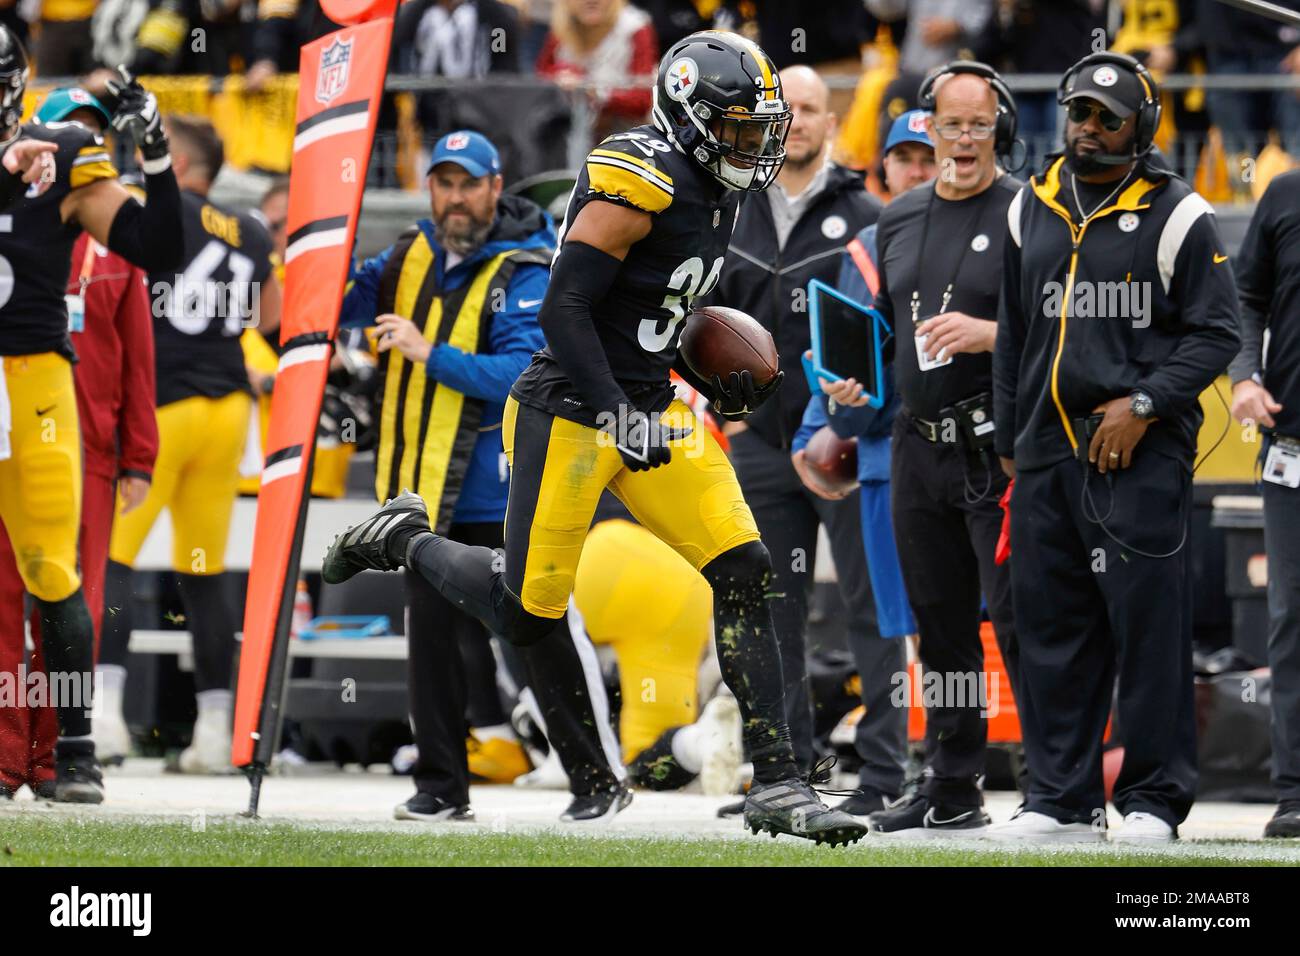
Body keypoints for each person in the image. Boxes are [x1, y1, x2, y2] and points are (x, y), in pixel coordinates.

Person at [323, 31, 867, 846]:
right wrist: (615, 409)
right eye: (741, 128)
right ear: (688, 119)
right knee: (528, 613)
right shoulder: (636, 177)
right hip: (571, 407)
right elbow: (564, 310)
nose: (756, 146)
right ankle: (406, 538)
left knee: (746, 567)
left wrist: (701, 365)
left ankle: (780, 781)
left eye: (763, 128)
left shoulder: (722, 181)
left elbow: (658, 305)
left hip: (651, 403)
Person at [991, 52, 1239, 843]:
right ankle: (1058, 798)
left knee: (1148, 634)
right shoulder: (1028, 204)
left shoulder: (1180, 213)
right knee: (1049, 631)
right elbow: (1013, 335)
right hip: (1044, 456)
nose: (1086, 129)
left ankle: (1152, 800)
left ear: (1142, 125)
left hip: (1138, 457)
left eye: (1107, 116)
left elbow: (1218, 334)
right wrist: (1007, 437)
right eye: (1077, 113)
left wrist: (1145, 403)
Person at [338, 129, 574, 822]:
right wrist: (328, 263)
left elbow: (525, 374)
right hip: (424, 488)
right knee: (432, 647)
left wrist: (428, 352)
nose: (457, 198)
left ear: (497, 188)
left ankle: (592, 772)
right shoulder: (409, 254)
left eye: (470, 183)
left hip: (497, 488)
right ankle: (442, 786)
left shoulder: (527, 267)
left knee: (535, 636)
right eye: (444, 183)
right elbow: (343, 307)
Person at [828, 62, 1023, 836]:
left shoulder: (1027, 212)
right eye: (951, 125)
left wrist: (990, 334)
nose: (964, 140)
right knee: (938, 628)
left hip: (998, 448)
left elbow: (1062, 328)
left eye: (979, 125)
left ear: (1000, 128)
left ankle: (1056, 788)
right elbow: (881, 331)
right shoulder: (899, 216)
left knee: (1018, 621)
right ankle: (952, 785)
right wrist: (855, 384)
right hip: (918, 442)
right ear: (930, 128)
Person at [0, 28, 183, 803]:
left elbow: (157, 246)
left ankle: (73, 750)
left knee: (50, 567)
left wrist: (159, 160)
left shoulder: (63, 152)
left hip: (33, 376)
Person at [706, 64, 886, 812]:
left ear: (831, 121)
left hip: (842, 440)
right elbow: (698, 316)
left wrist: (855, 416)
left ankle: (882, 777)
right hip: (757, 444)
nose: (800, 122)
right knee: (763, 605)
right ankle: (781, 774)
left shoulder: (868, 212)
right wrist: (727, 409)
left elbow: (882, 327)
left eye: (813, 109)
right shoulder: (730, 207)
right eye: (788, 111)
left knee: (867, 603)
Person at [100, 114, 280, 775]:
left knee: (113, 558)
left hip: (161, 407)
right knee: (203, 571)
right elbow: (271, 316)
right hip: (229, 409)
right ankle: (213, 731)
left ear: (175, 161)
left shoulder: (150, 210)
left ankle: (104, 717)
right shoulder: (252, 230)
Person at [792, 108, 938, 815]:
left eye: (929, 156)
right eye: (905, 159)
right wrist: (819, 423)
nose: (919, 169)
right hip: (885, 458)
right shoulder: (868, 248)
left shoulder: (994, 233)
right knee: (889, 621)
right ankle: (889, 774)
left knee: (967, 623)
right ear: (884, 172)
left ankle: (954, 773)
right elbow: (843, 366)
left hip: (967, 460)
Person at [1227, 167, 1300, 839]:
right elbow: (1245, 296)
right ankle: (1297, 792)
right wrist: (1245, 373)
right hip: (1293, 449)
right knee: (1292, 616)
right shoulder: (1283, 193)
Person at [535, 0, 659, 141]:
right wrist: (562, 74)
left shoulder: (634, 27)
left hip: (623, 135)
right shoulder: (561, 25)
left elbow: (643, 99)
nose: (591, 1)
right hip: (567, 132)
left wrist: (598, 94)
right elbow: (541, 76)